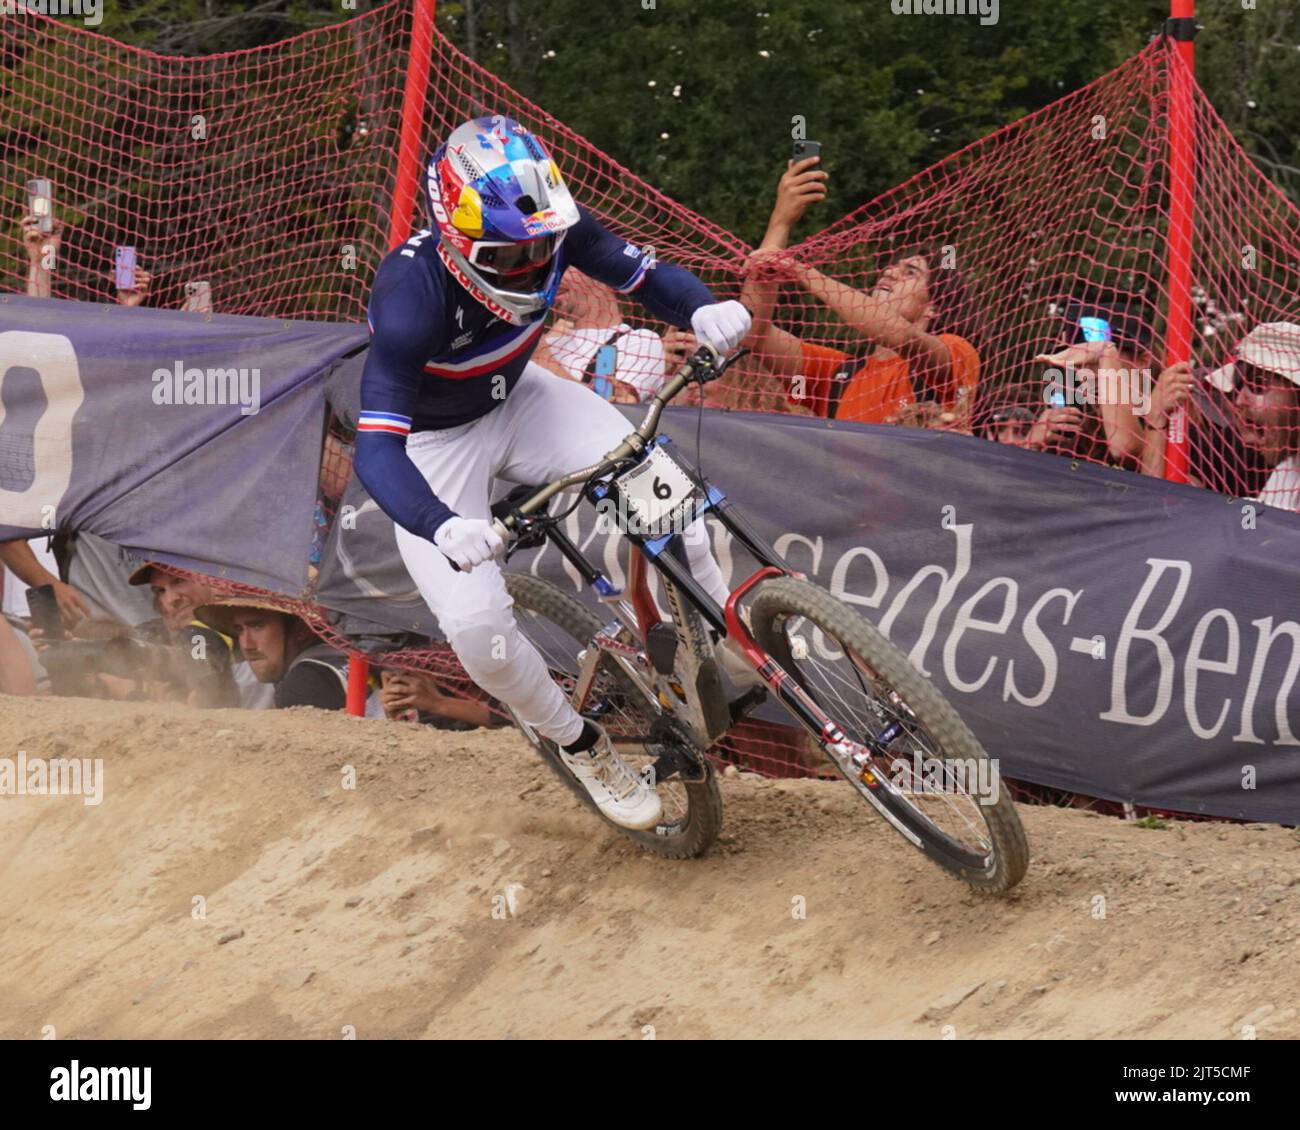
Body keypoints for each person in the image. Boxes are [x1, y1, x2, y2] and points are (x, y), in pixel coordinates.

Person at [353, 115, 751, 831]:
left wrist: (706, 305)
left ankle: (728, 643)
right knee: (478, 633)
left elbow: (650, 278)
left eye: (543, 247)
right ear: (456, 241)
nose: (534, 266)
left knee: (666, 499)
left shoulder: (555, 227)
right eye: (511, 256)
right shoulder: (410, 296)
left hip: (523, 397)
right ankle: (580, 744)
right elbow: (375, 450)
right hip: (432, 447)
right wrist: (440, 524)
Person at [741, 157, 981, 430]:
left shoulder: (958, 353)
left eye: (911, 271)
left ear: (934, 307)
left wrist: (801, 271)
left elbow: (902, 336)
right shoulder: (836, 375)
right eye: (892, 266)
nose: (890, 272)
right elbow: (752, 333)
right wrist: (780, 223)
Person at [1139, 322, 1300, 509]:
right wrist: (1156, 420)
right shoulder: (1232, 450)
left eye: (1258, 384)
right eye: (1236, 385)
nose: (1239, 400)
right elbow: (1159, 509)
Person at [198, 597, 383, 714]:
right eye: (239, 629)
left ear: (301, 630)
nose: (246, 644)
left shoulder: (303, 683)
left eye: (257, 626)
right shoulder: (346, 654)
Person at [532, 273, 668, 403]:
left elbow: (611, 411)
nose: (552, 278)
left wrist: (538, 353)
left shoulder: (640, 341)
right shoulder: (547, 344)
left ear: (601, 273)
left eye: (567, 265)